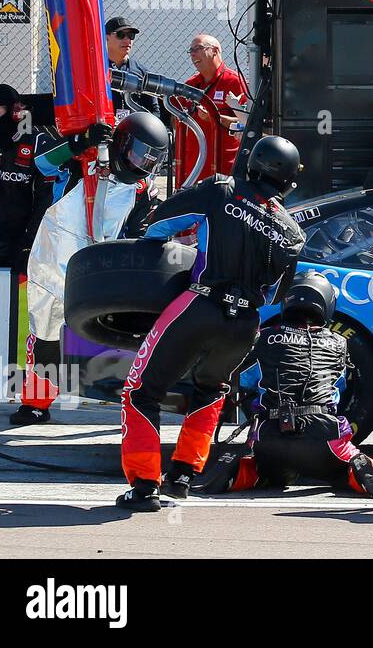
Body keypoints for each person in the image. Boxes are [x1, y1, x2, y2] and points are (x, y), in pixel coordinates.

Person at [116, 135, 306, 511]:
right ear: (287, 181)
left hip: (199, 304)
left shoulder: (223, 189)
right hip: (244, 324)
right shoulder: (294, 233)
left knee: (140, 392)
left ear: (253, 163)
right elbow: (274, 296)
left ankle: (143, 487)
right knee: (211, 390)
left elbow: (159, 224)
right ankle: (184, 475)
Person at [12, 113, 166, 426]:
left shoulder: (142, 188)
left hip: (98, 267)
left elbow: (142, 229)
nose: (141, 165)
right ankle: (36, 404)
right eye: (137, 154)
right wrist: (81, 142)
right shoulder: (82, 161)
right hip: (51, 262)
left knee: (118, 334)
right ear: (122, 144)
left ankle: (127, 401)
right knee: (44, 338)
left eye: (149, 161)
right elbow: (41, 164)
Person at [201, 272, 373, 498]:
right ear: (327, 304)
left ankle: (247, 472)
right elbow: (336, 389)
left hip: (270, 437)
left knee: (267, 468)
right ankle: (353, 467)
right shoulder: (339, 343)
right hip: (324, 439)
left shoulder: (262, 337)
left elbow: (242, 381)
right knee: (341, 463)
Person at [0, 84, 50, 274]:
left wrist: (31, 238)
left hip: (23, 239)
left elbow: (46, 197)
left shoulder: (36, 142)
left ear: (14, 113)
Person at [173, 34, 248, 185]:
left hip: (222, 169)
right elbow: (175, 121)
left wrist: (214, 117)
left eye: (198, 48)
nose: (193, 54)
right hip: (192, 168)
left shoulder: (234, 82)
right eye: (191, 50)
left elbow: (246, 123)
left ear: (214, 51)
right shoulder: (190, 84)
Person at [105, 17, 160, 122]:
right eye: (120, 35)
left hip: (134, 134)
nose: (127, 40)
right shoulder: (97, 71)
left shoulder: (142, 72)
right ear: (106, 37)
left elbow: (154, 111)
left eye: (131, 36)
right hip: (104, 133)